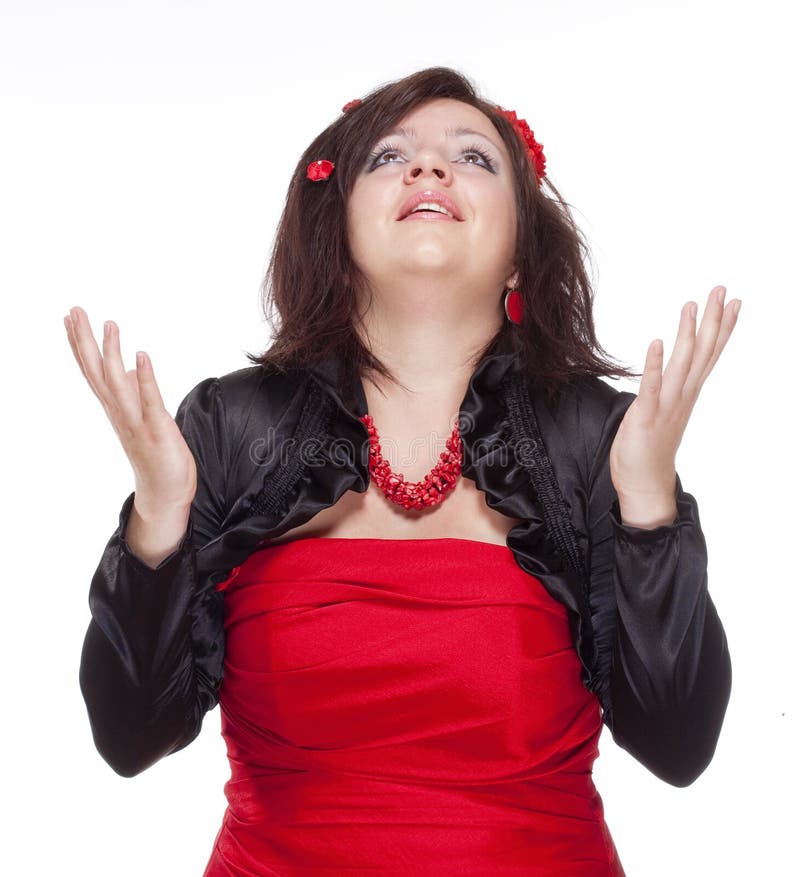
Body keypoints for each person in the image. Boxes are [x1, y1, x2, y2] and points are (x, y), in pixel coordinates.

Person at [67, 67, 738, 876]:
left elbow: (678, 746)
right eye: (389, 155)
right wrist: (157, 521)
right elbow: (131, 736)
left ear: (520, 256)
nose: (428, 167)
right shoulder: (229, 426)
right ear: (337, 227)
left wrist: (650, 509)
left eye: (473, 157)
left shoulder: (595, 438)